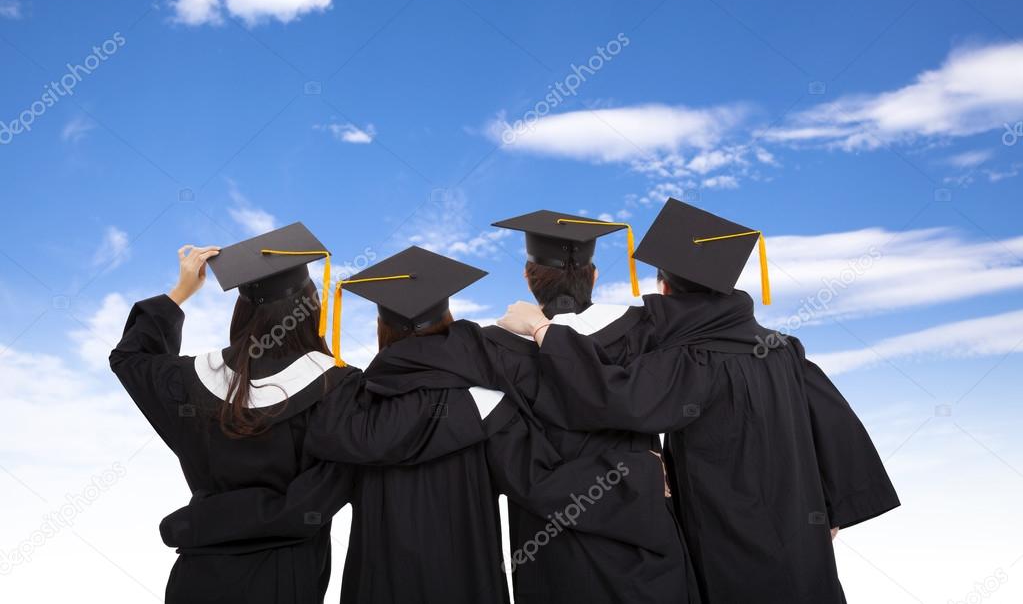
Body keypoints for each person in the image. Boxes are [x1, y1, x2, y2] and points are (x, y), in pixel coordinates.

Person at [162, 242, 685, 604]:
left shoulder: (345, 405)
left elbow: (307, 488)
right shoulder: (489, 401)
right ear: (448, 316)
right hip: (469, 580)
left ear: (380, 323)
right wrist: (635, 475)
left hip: (376, 584)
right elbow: (539, 482)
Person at [499, 198, 900, 604]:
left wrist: (541, 329)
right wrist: (832, 509)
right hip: (800, 529)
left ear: (664, 288)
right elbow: (835, 423)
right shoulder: (782, 348)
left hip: (729, 535)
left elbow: (615, 397)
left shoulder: (693, 360)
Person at [111, 225, 501, 604]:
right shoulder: (336, 388)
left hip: (196, 575)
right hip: (288, 577)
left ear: (242, 309)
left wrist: (180, 292)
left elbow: (130, 359)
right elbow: (374, 449)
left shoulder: (186, 381)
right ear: (311, 309)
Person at [365, 213, 696, 604]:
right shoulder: (644, 330)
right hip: (644, 539)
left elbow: (412, 358)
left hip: (549, 548)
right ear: (592, 276)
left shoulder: (488, 348)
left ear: (527, 276)